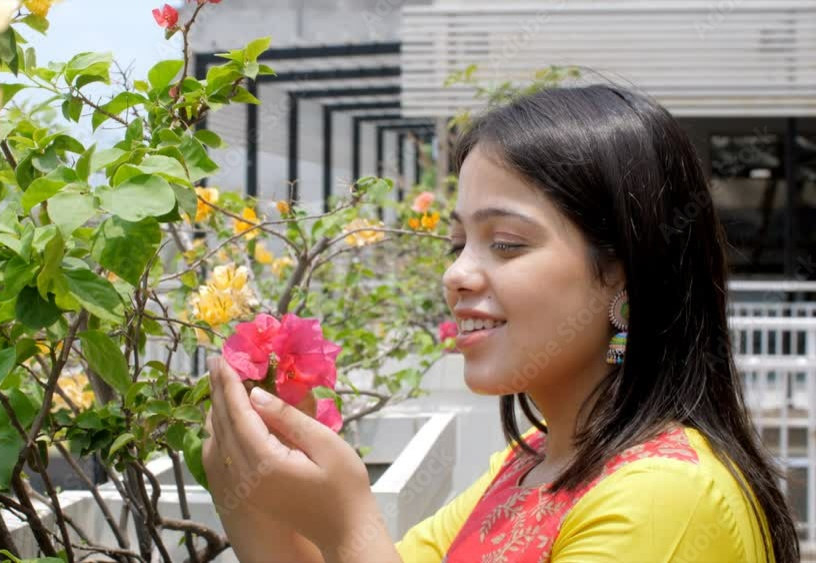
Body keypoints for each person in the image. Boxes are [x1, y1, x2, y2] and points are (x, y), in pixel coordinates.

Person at [201, 84, 802, 563]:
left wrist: (348, 524)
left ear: (625, 272)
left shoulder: (667, 496)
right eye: (458, 242)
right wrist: (249, 490)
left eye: (507, 243)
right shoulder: (529, 465)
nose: (457, 275)